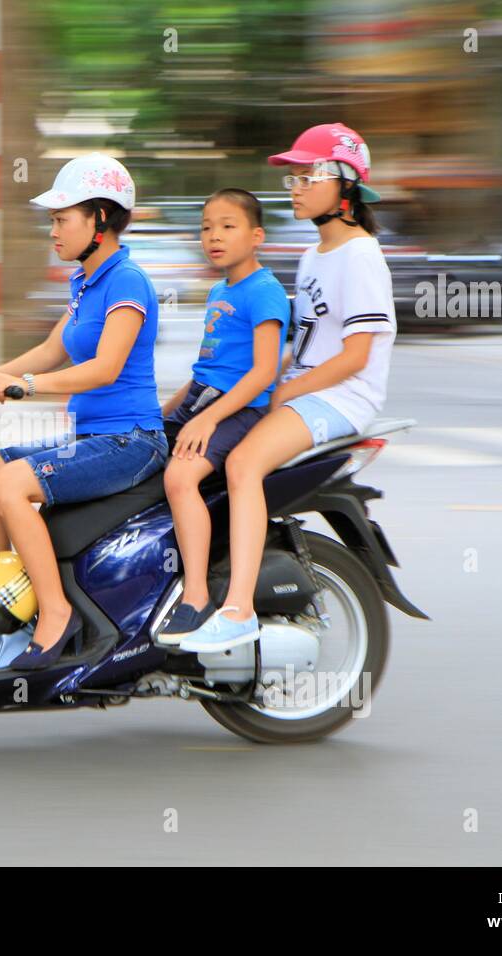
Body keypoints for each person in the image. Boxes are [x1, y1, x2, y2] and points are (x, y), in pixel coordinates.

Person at [175, 123, 397, 653]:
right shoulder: (314, 254)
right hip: (306, 390)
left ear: (345, 183)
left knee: (242, 464)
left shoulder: (361, 255)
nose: (295, 187)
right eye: (292, 178)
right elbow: (304, 341)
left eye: (308, 176)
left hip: (342, 397)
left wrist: (282, 393)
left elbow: (356, 355)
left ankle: (237, 609)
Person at [0, 153, 168, 669]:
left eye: (61, 219)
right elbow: (53, 350)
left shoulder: (127, 281)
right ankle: (8, 608)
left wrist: (24, 387)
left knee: (12, 485)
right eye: (52, 220)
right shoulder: (85, 281)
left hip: (130, 441)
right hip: (92, 435)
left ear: (100, 218)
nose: (52, 231)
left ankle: (55, 614)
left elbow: (104, 368)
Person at [157, 189, 290, 644]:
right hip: (202, 399)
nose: (214, 236)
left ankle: (195, 598)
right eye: (206, 227)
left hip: (238, 409)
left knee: (179, 477)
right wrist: (166, 412)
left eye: (227, 226)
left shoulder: (265, 291)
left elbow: (263, 373)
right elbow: (205, 370)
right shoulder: (219, 289)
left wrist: (208, 419)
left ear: (256, 236)